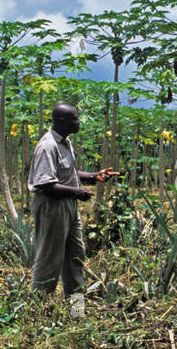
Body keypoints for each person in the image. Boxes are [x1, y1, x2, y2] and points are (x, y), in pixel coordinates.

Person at [29, 104, 117, 296]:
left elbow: (67, 173)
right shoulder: (47, 146)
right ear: (62, 121)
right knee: (50, 259)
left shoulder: (65, 142)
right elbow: (46, 185)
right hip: (52, 206)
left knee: (76, 257)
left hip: (68, 205)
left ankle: (76, 309)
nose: (78, 122)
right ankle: (38, 310)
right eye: (75, 119)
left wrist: (94, 176)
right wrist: (77, 192)